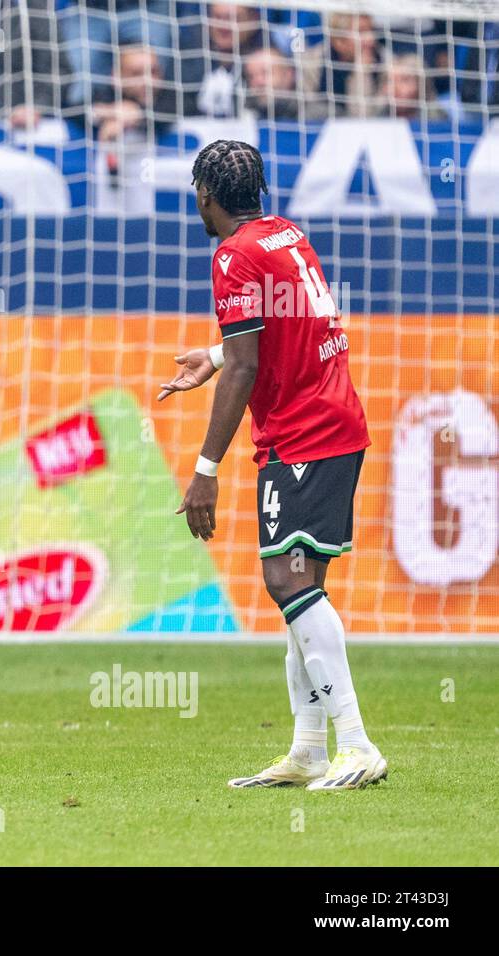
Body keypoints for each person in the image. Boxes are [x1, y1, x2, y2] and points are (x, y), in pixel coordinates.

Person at [159, 140, 385, 792]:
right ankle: (309, 749)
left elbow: (251, 363)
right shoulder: (285, 236)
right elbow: (275, 329)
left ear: (205, 194)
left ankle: (357, 742)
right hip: (333, 423)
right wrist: (214, 351)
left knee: (287, 581)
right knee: (299, 589)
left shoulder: (232, 254)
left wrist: (206, 467)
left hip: (304, 436)